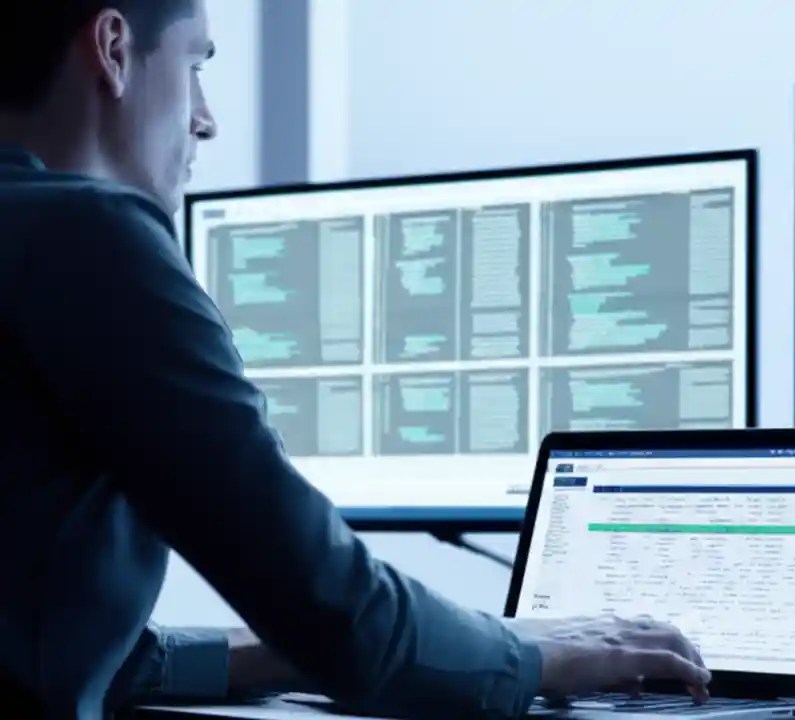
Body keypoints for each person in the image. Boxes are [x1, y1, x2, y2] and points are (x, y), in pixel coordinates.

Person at [0, 1, 711, 717]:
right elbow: (331, 606)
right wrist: (532, 655)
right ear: (114, 49)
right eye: (195, 68)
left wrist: (279, 646)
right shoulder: (87, 236)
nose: (206, 119)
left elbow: (56, 643)